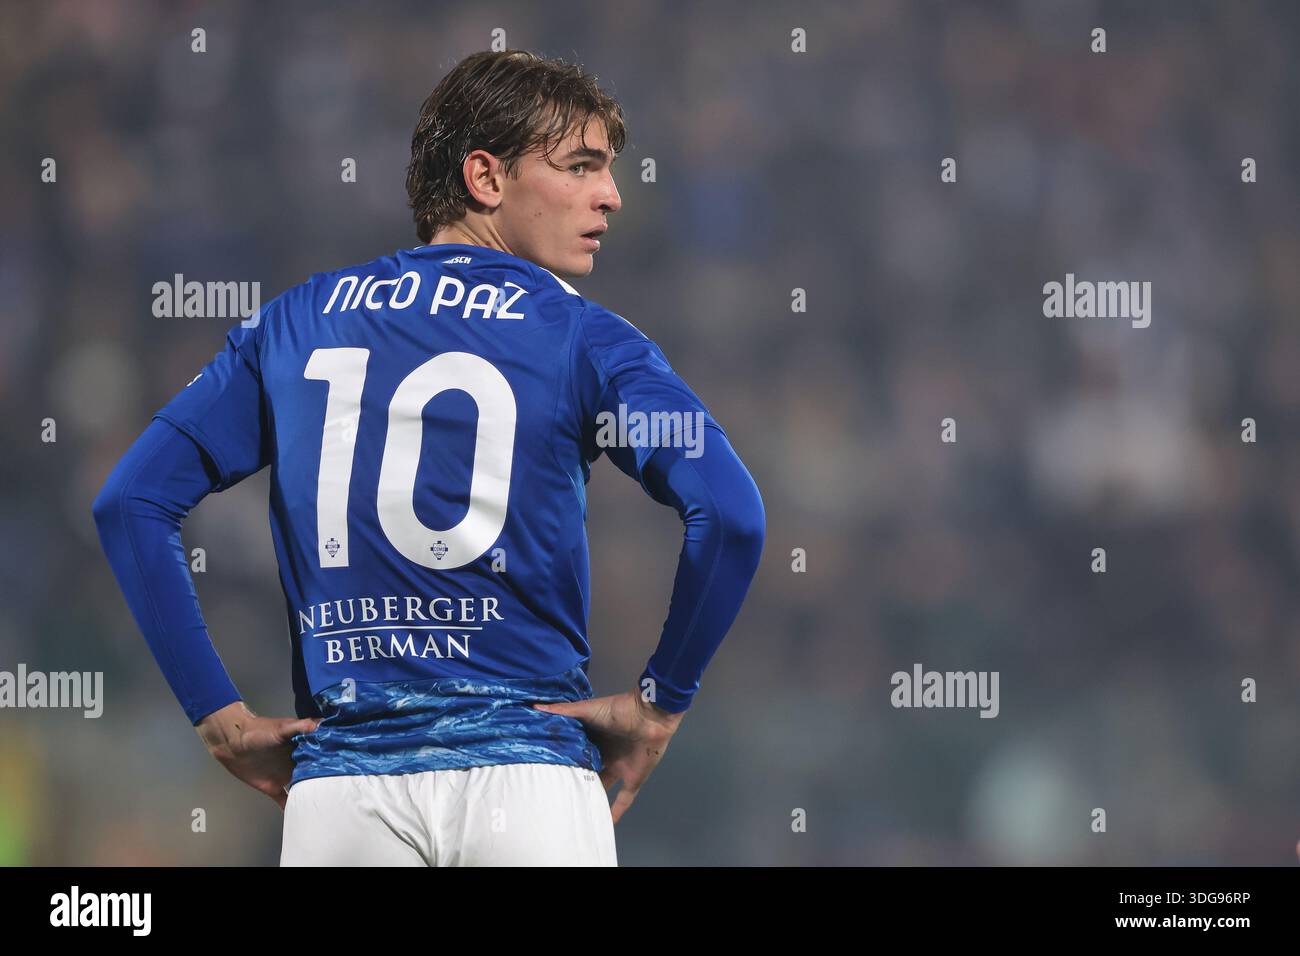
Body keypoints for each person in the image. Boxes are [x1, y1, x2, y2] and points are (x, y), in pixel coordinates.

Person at [92, 49, 765, 866]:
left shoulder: (295, 324)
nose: (611, 195)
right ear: (486, 177)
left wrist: (218, 715)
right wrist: (660, 703)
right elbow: (730, 516)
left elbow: (131, 502)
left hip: (342, 799)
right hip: (531, 784)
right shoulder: (584, 336)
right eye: (581, 166)